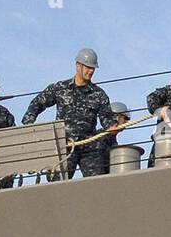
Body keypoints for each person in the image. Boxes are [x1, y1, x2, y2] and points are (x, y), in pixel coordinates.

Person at [22, 48, 116, 179]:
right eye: (88, 67)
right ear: (78, 65)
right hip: (64, 145)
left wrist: (112, 127)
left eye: (93, 68)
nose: (91, 71)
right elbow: (37, 103)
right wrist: (29, 124)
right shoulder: (60, 88)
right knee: (57, 185)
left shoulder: (99, 94)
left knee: (97, 184)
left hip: (89, 146)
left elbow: (106, 118)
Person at [97, 102, 132, 174]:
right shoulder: (101, 138)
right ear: (116, 117)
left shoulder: (112, 139)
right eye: (125, 118)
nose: (127, 121)